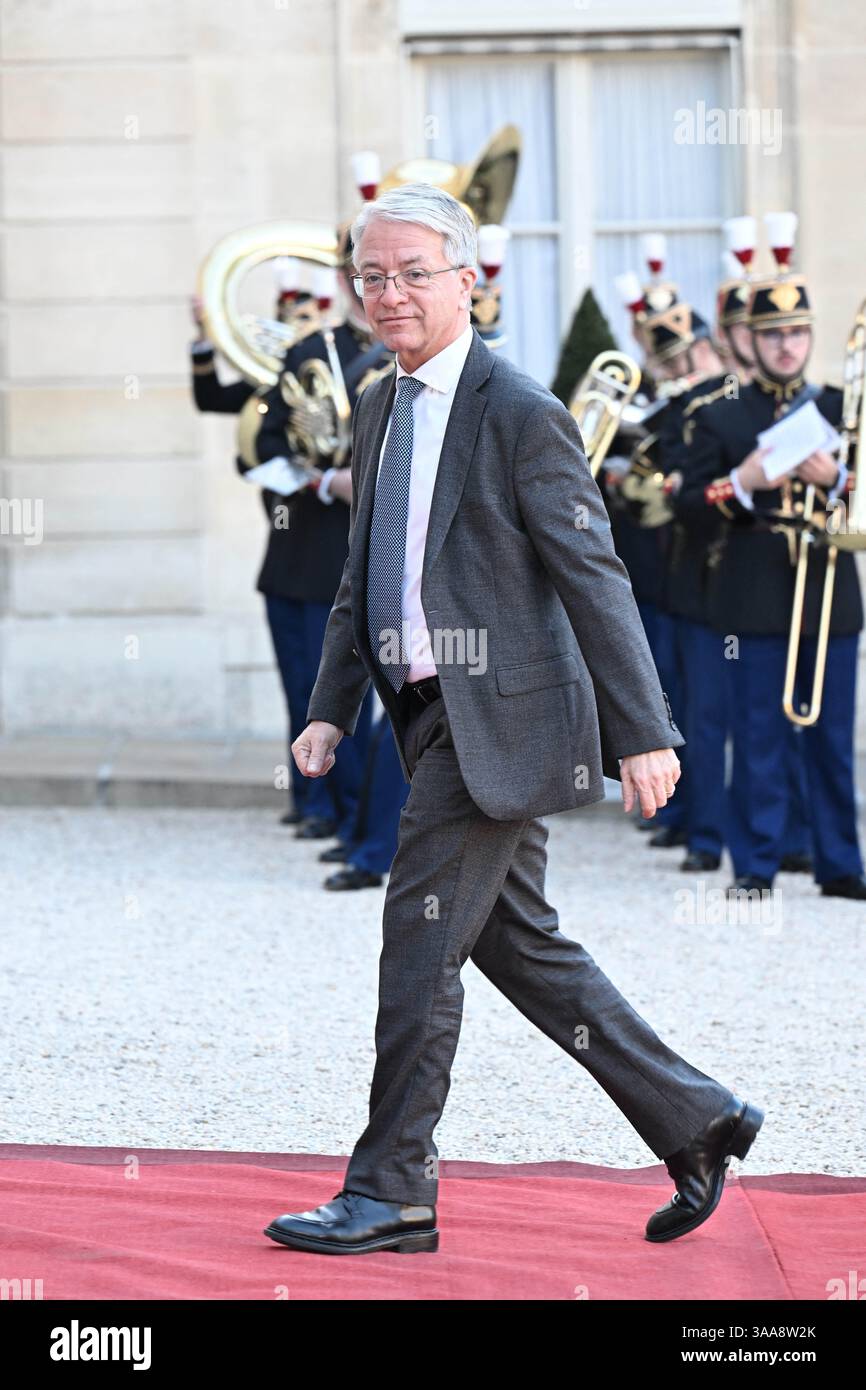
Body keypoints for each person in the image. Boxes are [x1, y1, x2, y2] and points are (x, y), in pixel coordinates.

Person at [263, 184, 763, 1256]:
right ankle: (698, 1119)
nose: (387, 292)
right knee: (519, 945)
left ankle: (391, 1187)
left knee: (418, 944)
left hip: (509, 725)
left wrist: (643, 730)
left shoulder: (520, 410)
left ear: (466, 281)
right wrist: (328, 710)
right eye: (371, 275)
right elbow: (366, 578)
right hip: (429, 719)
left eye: (411, 272)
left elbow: (595, 577)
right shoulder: (379, 401)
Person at [677, 215, 866, 898]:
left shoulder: (844, 408)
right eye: (773, 334)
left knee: (831, 739)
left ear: (810, 336)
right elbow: (689, 509)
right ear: (748, 341)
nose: (786, 347)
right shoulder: (722, 418)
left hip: (828, 585)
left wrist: (838, 480)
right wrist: (745, 482)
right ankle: (754, 865)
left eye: (796, 333)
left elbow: (863, 495)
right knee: (756, 736)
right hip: (754, 586)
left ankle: (840, 862)